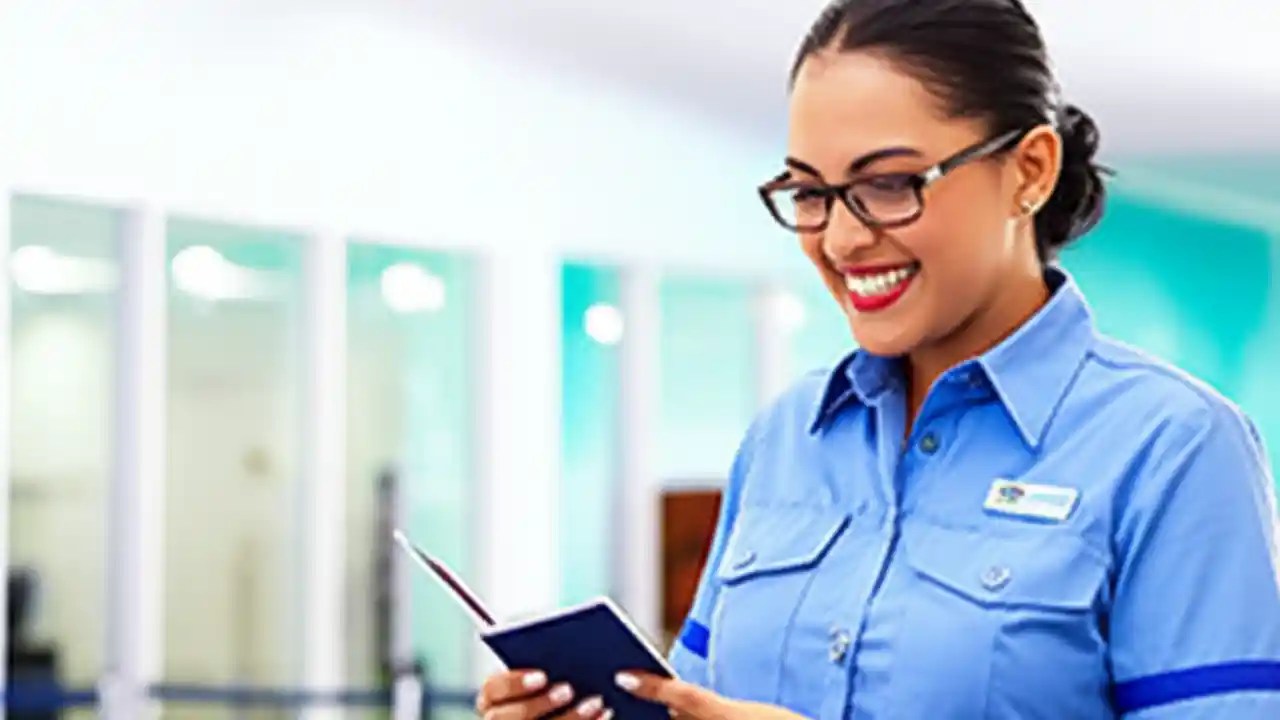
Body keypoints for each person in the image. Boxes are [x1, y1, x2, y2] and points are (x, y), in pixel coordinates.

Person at [475, 0, 1280, 718]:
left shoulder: (1173, 447)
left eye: (890, 184)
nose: (843, 238)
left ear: (1029, 171)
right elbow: (692, 700)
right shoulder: (786, 438)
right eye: (810, 194)